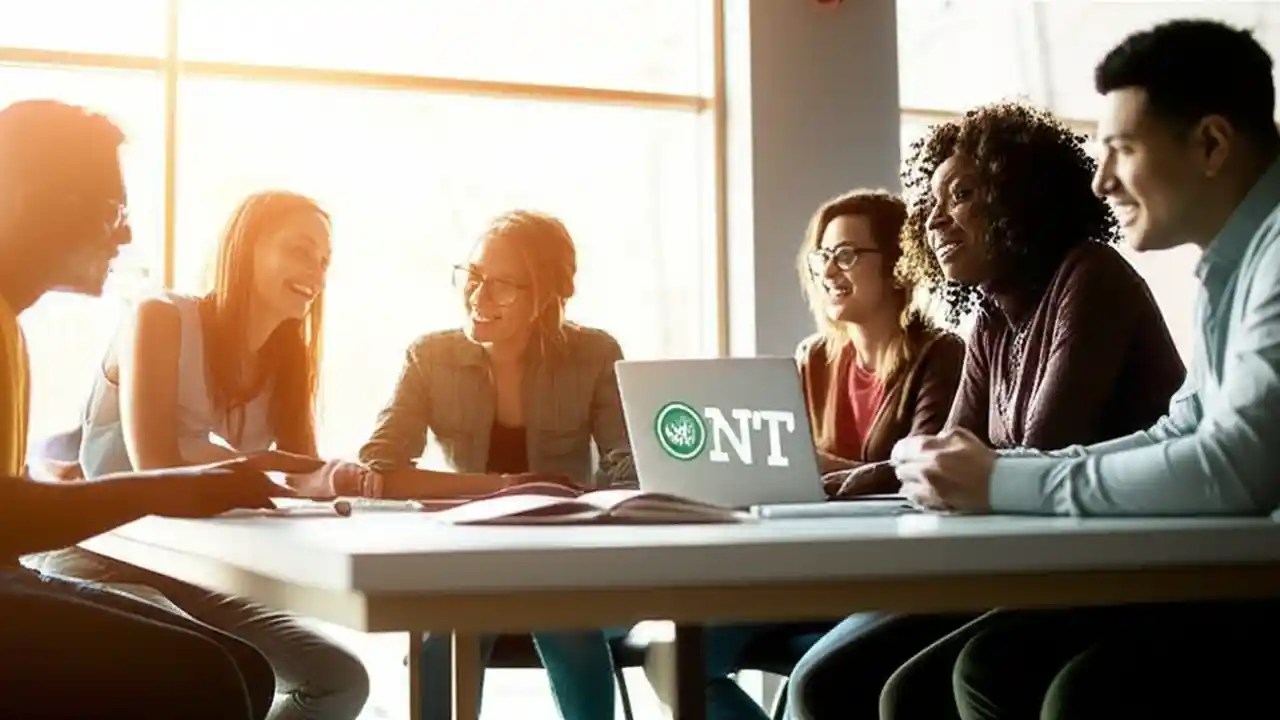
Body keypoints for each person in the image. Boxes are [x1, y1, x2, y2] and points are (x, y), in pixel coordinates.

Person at [886, 19, 1280, 719]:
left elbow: (1236, 467)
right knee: (956, 674)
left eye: (1122, 150)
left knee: (1025, 680)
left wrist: (1003, 477)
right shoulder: (1232, 265)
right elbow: (1182, 427)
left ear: (1213, 144)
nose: (1101, 180)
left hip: (1240, 586)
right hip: (1222, 575)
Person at [791, 103, 1186, 720]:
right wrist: (824, 483)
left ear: (1019, 198)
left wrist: (938, 467)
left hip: (1119, 573)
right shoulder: (990, 320)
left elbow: (1043, 451)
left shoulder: (1090, 277)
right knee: (823, 682)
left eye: (963, 195)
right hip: (1029, 570)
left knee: (933, 686)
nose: (935, 220)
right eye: (932, 201)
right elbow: (941, 463)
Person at [0, 98, 317, 719]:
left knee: (246, 668)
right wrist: (159, 488)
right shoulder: (159, 318)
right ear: (27, 197)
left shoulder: (12, 329)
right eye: (111, 210)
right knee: (208, 681)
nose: (125, 234)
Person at [30, 191, 372, 720]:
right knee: (221, 676)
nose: (317, 272)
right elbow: (157, 470)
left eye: (324, 260)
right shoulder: (161, 317)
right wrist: (271, 475)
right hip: (98, 562)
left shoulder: (287, 354)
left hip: (197, 573)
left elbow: (310, 480)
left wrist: (364, 483)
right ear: (246, 248)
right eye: (301, 250)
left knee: (339, 680)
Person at [689, 189, 965, 720]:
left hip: (891, 579)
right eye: (822, 256)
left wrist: (817, 468)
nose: (829, 269)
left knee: (814, 684)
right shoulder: (813, 358)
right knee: (681, 652)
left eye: (847, 254)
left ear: (897, 263)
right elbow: (786, 466)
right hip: (802, 569)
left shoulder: (941, 355)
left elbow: (923, 473)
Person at [359, 209, 636, 720]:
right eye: (473, 275)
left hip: (566, 559)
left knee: (570, 623)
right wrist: (506, 486)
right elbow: (379, 466)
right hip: (466, 558)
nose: (479, 297)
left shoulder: (595, 354)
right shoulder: (430, 357)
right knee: (447, 634)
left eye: (503, 285)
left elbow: (627, 467)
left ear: (548, 294)